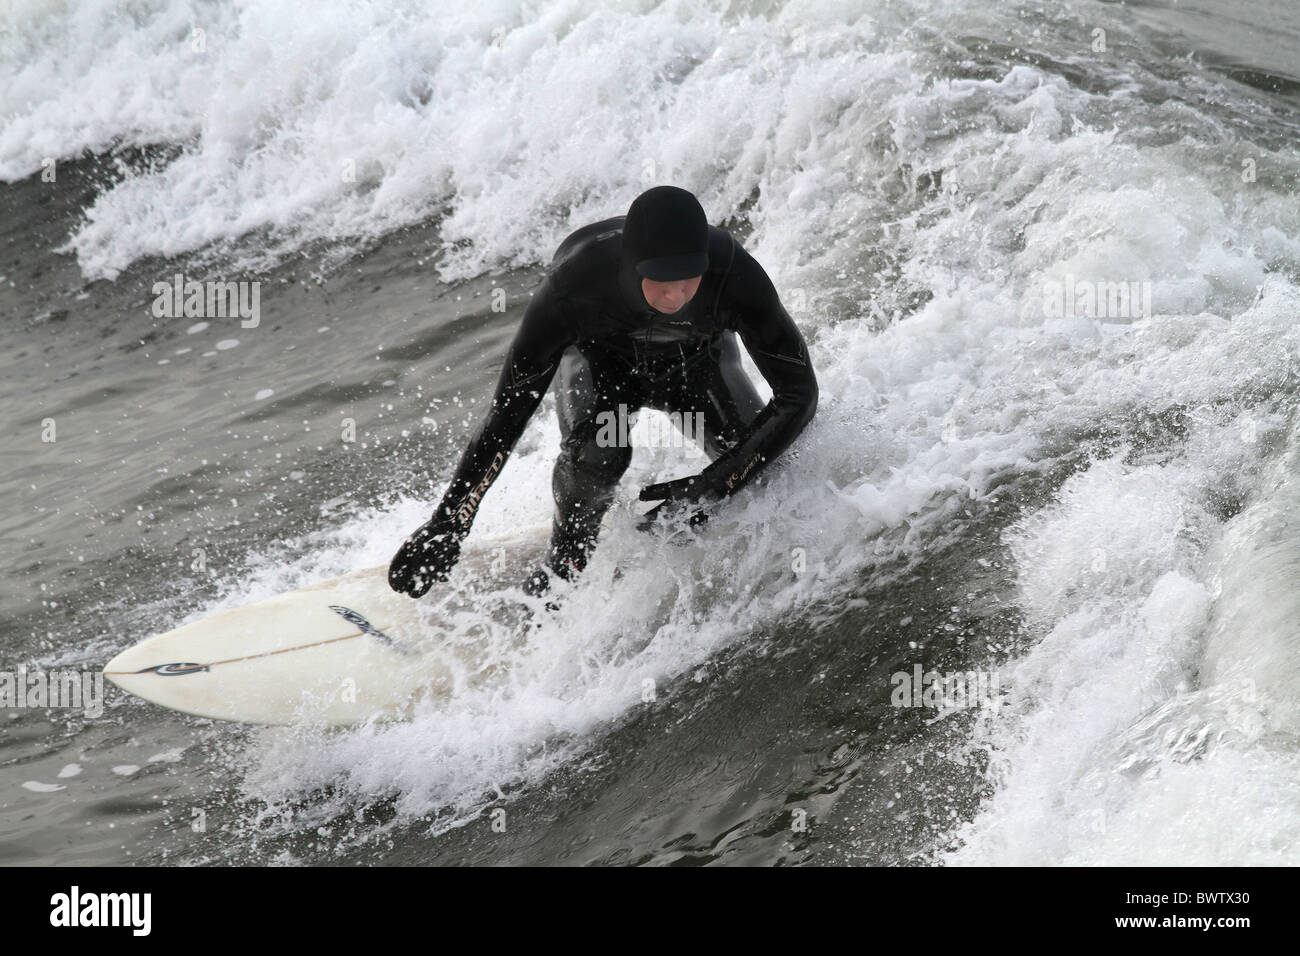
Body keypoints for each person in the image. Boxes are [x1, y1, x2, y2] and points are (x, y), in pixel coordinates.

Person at [387, 185, 818, 599]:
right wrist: (450, 521)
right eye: (661, 280)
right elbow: (506, 417)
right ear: (632, 266)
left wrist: (713, 485)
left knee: (757, 460)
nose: (676, 294)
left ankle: (771, 568)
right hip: (603, 367)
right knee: (600, 453)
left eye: (688, 278)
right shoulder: (573, 287)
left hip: (698, 364)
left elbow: (798, 396)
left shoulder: (734, 275)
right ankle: (564, 566)